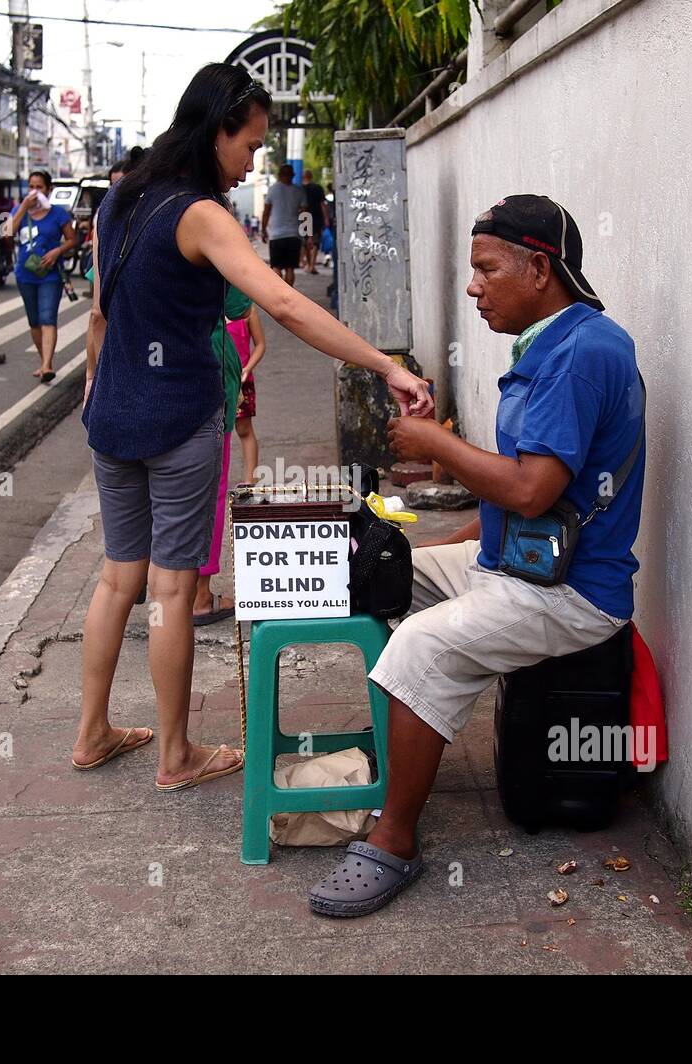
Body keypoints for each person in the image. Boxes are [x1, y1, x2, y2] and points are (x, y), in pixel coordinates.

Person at [76, 62, 431, 792]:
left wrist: (92, 386)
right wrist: (385, 366)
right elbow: (289, 306)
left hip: (110, 413)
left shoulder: (119, 200)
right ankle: (175, 756)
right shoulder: (199, 215)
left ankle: (91, 735)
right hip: (178, 418)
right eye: (248, 146)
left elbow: (100, 311)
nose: (250, 163)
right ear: (217, 131)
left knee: (118, 580)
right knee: (172, 591)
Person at [305, 195, 646, 918]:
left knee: (425, 645)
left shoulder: (582, 354)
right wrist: (460, 542)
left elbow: (530, 489)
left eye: (487, 269)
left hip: (573, 595)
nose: (474, 286)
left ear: (538, 266)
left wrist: (437, 448)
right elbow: (539, 497)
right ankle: (400, 740)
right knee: (383, 569)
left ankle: (394, 840)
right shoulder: (555, 342)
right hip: (521, 566)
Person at [191, 282, 255, 626]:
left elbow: (99, 309)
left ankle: (142, 577)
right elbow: (239, 307)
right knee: (209, 491)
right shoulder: (209, 229)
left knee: (149, 483)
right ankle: (199, 594)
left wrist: (93, 374)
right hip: (204, 370)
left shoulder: (118, 226)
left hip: (136, 372)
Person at [9, 169, 76, 383]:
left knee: (48, 317)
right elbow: (7, 232)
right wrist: (23, 209)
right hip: (25, 273)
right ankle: (43, 361)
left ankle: (47, 364)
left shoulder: (58, 214)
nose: (34, 192)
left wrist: (57, 251)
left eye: (39, 187)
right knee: (34, 321)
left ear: (48, 190)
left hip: (50, 275)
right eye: (31, 187)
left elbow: (72, 240)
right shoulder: (19, 211)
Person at [232, 305, 264, 479]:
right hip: (214, 380)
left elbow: (260, 345)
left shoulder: (248, 310)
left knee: (244, 429)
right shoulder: (210, 307)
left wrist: (247, 368)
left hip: (242, 381)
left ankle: (250, 481)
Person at [261, 163, 306, 287]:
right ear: (292, 175)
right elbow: (305, 214)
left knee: (276, 267)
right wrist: (307, 234)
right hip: (294, 234)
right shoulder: (299, 191)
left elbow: (266, 212)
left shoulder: (272, 189)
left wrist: (263, 230)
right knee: (290, 268)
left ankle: (280, 292)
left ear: (279, 175)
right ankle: (289, 293)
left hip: (276, 235)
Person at [301, 169, 327, 274]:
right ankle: (312, 264)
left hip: (303, 217)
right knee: (316, 243)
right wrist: (325, 218)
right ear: (311, 177)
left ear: (303, 177)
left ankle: (308, 264)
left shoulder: (300, 189)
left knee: (305, 242)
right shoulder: (318, 188)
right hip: (317, 218)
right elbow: (322, 204)